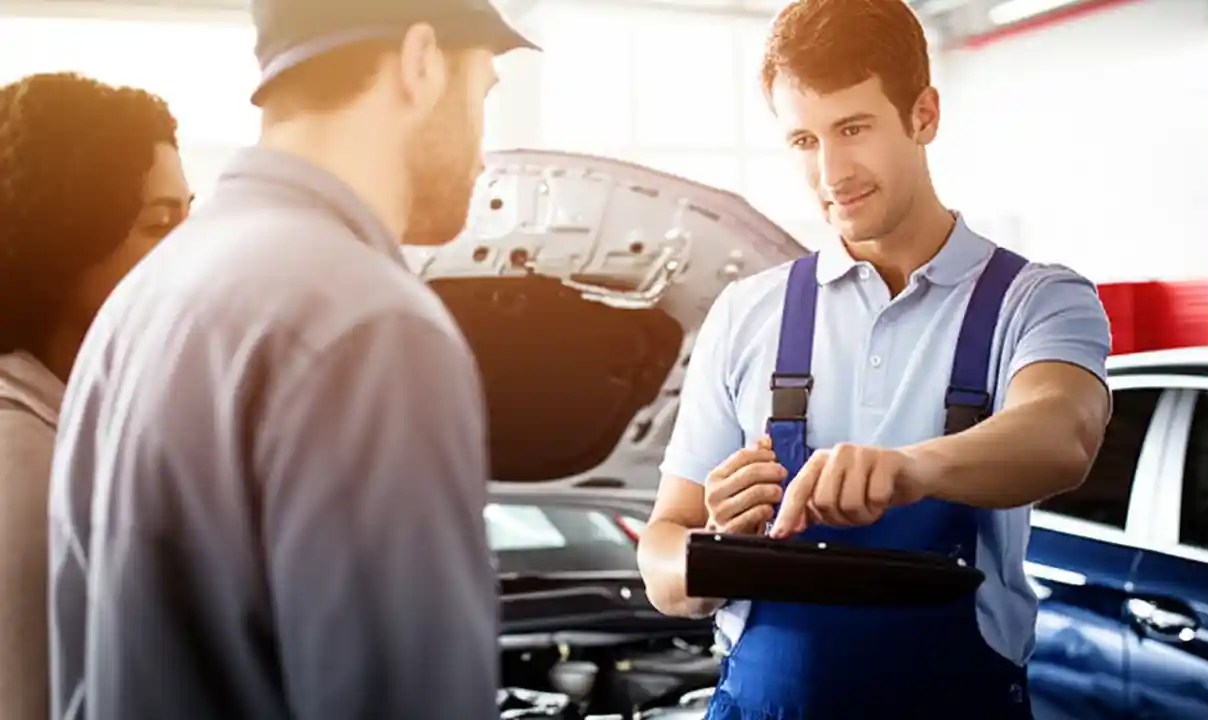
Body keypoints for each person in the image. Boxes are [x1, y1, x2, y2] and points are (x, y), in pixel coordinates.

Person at [47, 2, 537, 719]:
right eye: (483, 94)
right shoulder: (372, 325)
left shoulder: (145, 296)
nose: (483, 150)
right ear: (421, 61)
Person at [637, 1, 1112, 717]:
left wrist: (912, 470)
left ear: (923, 116)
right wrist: (716, 547)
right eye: (803, 138)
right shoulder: (746, 314)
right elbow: (661, 561)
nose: (830, 171)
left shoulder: (1038, 299)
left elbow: (1062, 433)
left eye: (853, 129)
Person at [0, 72, 190, 720]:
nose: (191, 252)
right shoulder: (22, 460)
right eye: (160, 225)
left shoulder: (72, 418)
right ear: (68, 239)